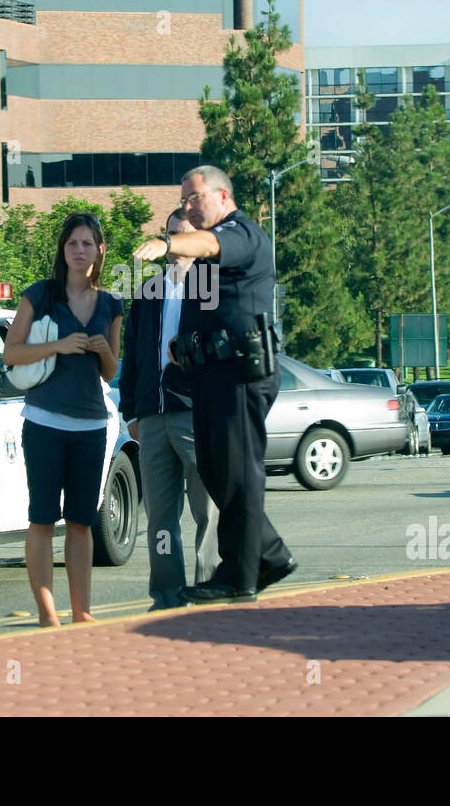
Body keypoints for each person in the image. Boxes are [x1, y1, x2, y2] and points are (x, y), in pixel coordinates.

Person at [132, 165, 295, 602]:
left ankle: (240, 576)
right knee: (222, 475)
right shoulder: (199, 269)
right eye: (183, 200)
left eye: (194, 198)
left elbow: (206, 242)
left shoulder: (239, 232)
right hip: (211, 377)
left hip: (240, 372)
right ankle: (270, 554)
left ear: (223, 196)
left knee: (237, 475)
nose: (187, 206)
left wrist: (166, 241)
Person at [4, 213, 122, 626]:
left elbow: (110, 371)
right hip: (44, 423)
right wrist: (58, 344)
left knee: (81, 522)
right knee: (41, 518)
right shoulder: (40, 295)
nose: (79, 250)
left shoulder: (111, 304)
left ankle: (81, 612)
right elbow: (10, 354)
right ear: (62, 249)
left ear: (100, 250)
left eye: (87, 243)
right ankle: (46, 613)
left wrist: (99, 350)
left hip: (92, 425)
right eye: (72, 243)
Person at [120, 209, 219, 610]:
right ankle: (167, 596)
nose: (176, 245)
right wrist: (131, 413)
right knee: (160, 519)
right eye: (171, 235)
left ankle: (211, 590)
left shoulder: (212, 288)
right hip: (151, 418)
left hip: (197, 414)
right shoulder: (146, 293)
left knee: (208, 512)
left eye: (185, 236)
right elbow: (133, 358)